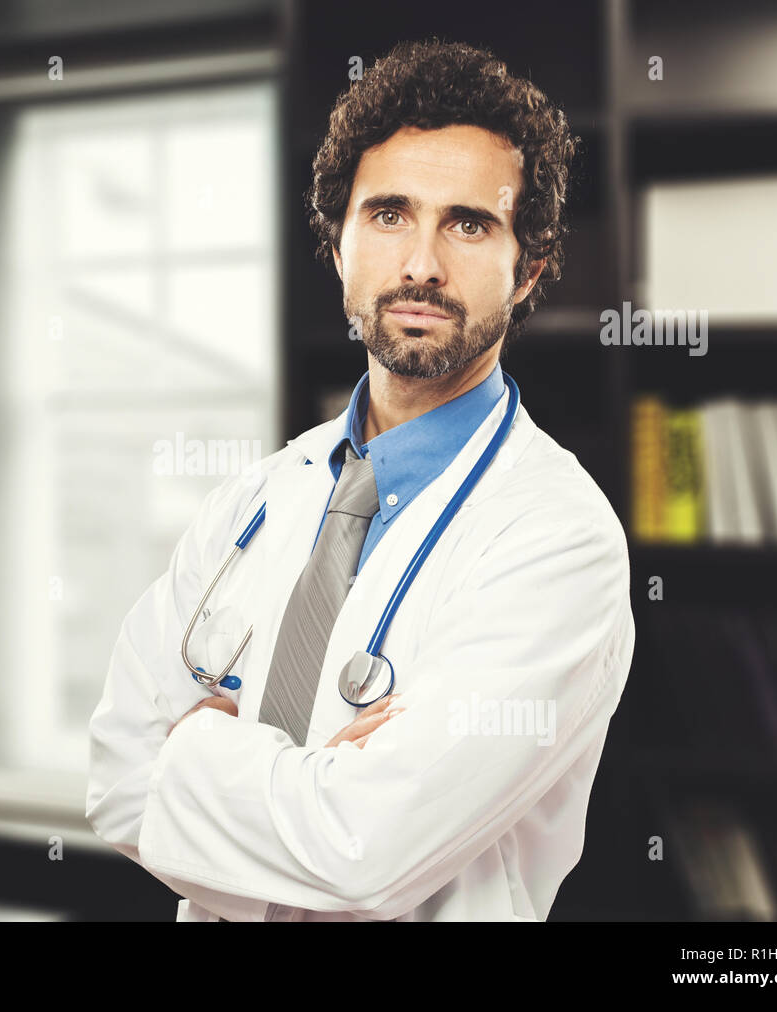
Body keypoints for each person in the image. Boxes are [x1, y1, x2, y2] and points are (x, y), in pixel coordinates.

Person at [86, 38, 635, 921]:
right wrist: (320, 779)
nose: (420, 263)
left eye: (468, 222)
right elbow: (116, 777)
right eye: (387, 214)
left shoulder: (559, 539)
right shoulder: (255, 499)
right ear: (337, 246)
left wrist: (192, 751)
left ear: (527, 268)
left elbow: (363, 852)